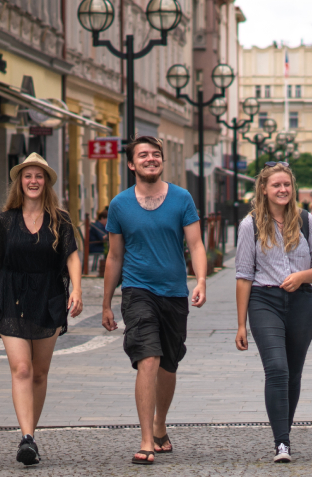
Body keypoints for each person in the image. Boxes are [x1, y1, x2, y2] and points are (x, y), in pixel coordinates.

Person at [101, 136, 208, 466]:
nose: (151, 159)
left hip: (174, 293)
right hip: (137, 291)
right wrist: (106, 303)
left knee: (168, 364)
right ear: (131, 164)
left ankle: (160, 424)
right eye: (143, 155)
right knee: (147, 358)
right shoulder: (120, 205)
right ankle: (146, 439)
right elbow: (115, 256)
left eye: (156, 155)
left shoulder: (181, 198)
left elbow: (196, 244)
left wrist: (201, 279)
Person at [0, 153, 83, 466]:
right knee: (22, 369)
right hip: (11, 298)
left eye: (39, 176)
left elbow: (71, 256)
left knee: (39, 373)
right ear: (20, 181)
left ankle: (31, 434)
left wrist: (77, 289)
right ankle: (27, 438)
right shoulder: (5, 220)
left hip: (48, 298)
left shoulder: (60, 219)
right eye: (28, 176)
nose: (33, 181)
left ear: (47, 182)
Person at [236, 162, 312, 463]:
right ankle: (282, 443)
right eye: (276, 185)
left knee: (293, 373)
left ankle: (283, 431)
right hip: (264, 301)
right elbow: (243, 275)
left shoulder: (306, 220)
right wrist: (240, 325)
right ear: (263, 188)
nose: (283, 189)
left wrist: (302, 277)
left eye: (287, 184)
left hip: (301, 301)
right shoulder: (250, 225)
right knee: (277, 368)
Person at [89, 208, 109, 272]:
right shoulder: (98, 226)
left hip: (98, 245)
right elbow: (102, 238)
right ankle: (105, 269)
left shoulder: (101, 226)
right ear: (102, 218)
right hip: (95, 247)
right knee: (111, 251)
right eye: (107, 219)